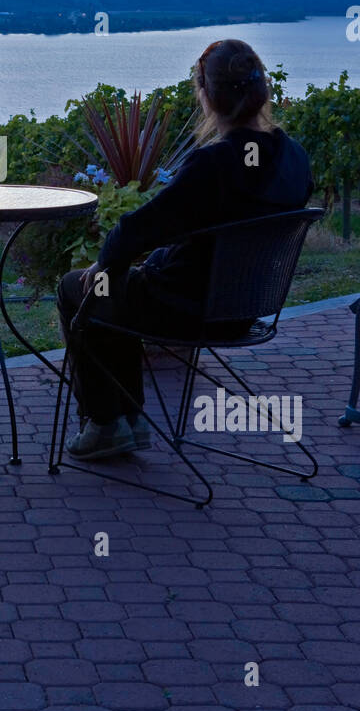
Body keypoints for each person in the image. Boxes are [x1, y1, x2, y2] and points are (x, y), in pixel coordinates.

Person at [56, 39, 313, 461]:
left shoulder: (214, 164)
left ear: (206, 95)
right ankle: (128, 420)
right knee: (115, 287)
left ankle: (107, 422)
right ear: (261, 90)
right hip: (242, 310)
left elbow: (137, 229)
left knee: (80, 288)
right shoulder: (295, 159)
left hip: (185, 306)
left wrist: (105, 262)